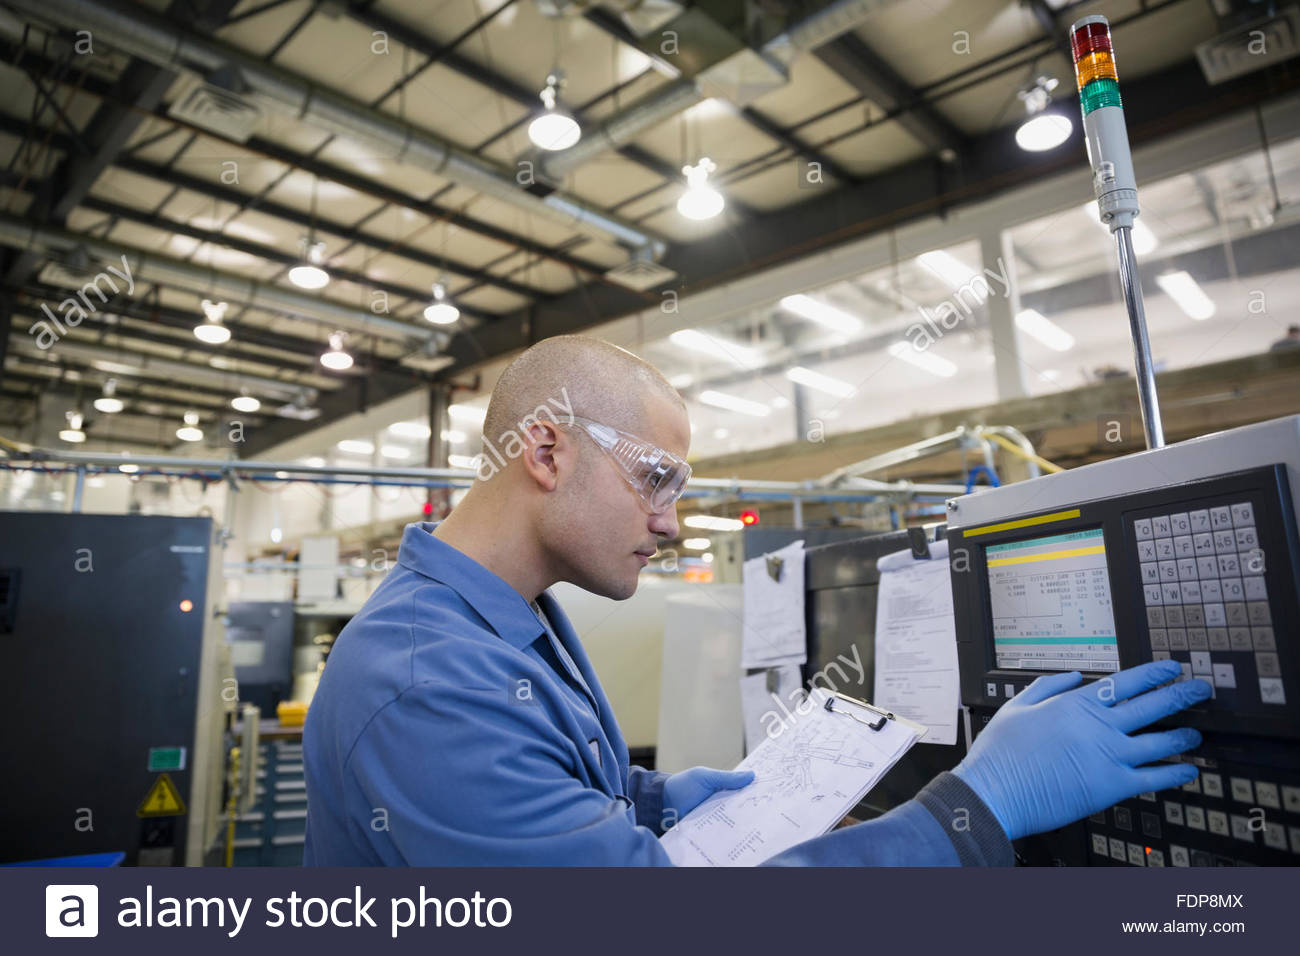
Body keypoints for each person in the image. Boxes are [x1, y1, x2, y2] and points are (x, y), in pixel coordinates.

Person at [303, 335, 1210, 865]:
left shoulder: (503, 616)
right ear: (545, 452)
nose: (670, 525)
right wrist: (981, 805)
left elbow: (538, 781)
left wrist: (652, 800)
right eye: (656, 479)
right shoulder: (426, 680)